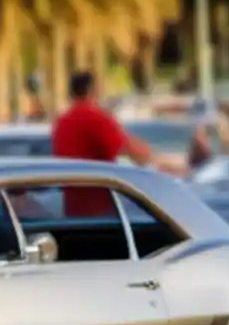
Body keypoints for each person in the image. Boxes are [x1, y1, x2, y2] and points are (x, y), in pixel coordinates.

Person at [51, 71, 155, 216]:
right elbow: (136, 153)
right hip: (100, 208)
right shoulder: (96, 118)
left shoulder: (62, 122)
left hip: (72, 208)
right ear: (92, 90)